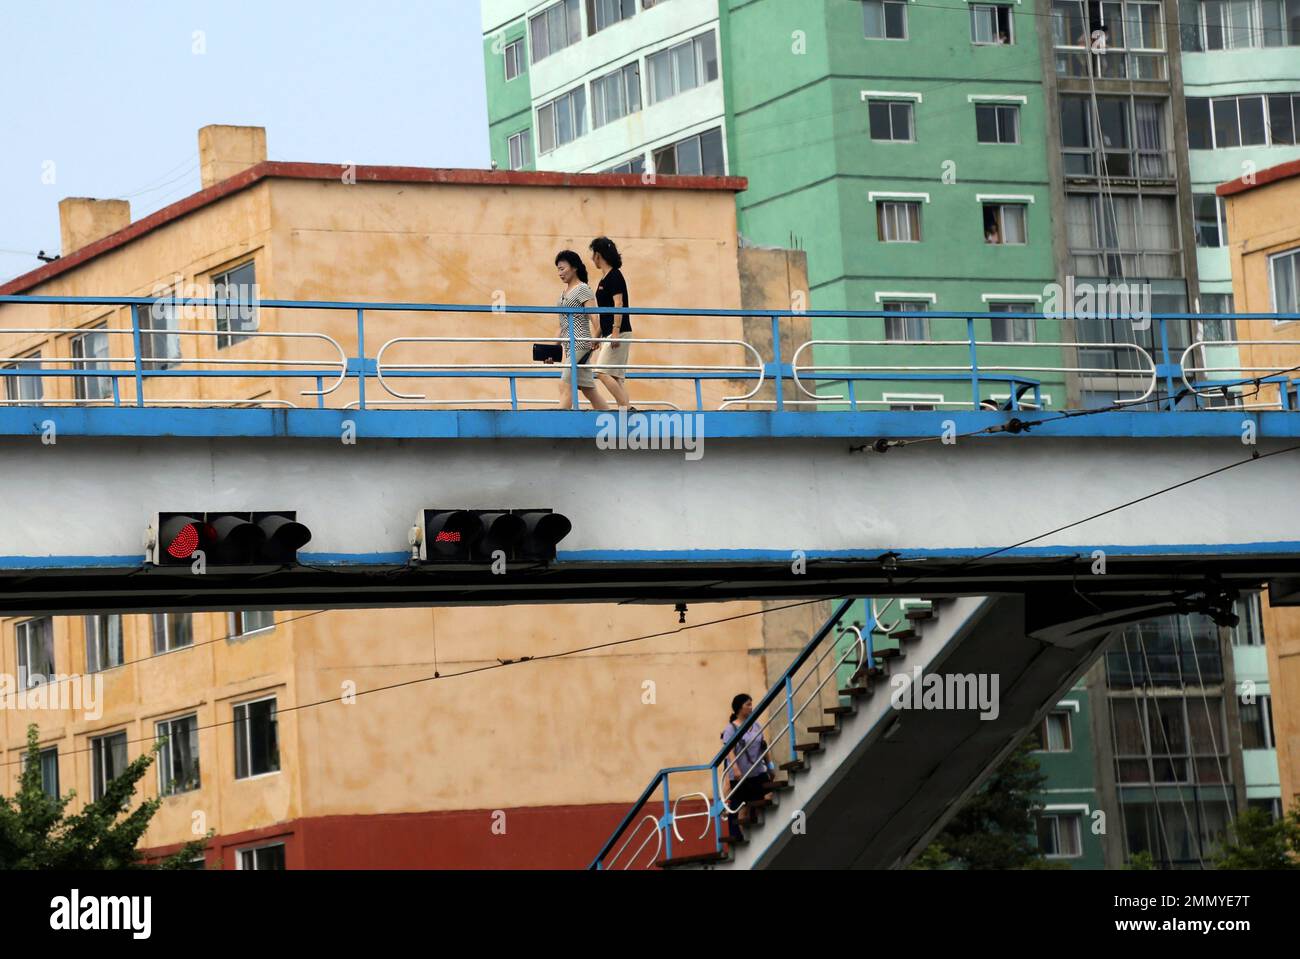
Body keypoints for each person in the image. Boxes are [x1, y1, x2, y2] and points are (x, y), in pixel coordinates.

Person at [549, 250, 608, 411]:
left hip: (581, 343)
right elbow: (562, 326)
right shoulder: (563, 294)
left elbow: (594, 316)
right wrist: (552, 350)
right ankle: (610, 418)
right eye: (558, 270)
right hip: (569, 346)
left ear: (574, 267)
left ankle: (557, 423)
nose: (559, 273)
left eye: (562, 268)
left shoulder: (582, 288)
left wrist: (597, 339)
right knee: (590, 391)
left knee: (565, 385)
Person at [720, 693, 774, 842]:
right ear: (739, 708)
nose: (751, 707)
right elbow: (728, 750)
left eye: (751, 704)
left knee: (766, 796)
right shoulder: (731, 728)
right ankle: (743, 839)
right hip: (740, 775)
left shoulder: (756, 725)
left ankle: (758, 835)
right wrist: (735, 769)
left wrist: (770, 766)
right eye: (748, 704)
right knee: (742, 809)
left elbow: (763, 746)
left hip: (757, 771)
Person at [589, 237, 634, 410]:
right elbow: (605, 312)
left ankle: (626, 407)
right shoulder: (603, 279)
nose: (592, 259)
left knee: (601, 372)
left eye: (593, 254)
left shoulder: (615, 276)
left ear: (598, 255)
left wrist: (615, 331)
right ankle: (625, 408)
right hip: (610, 332)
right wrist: (596, 336)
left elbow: (618, 304)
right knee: (614, 377)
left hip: (619, 331)